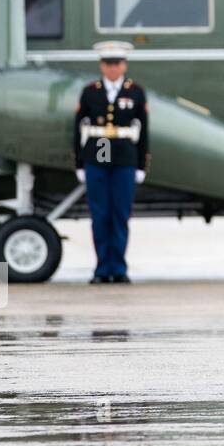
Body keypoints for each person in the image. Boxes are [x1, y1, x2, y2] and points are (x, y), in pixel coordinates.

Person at [73, 40, 149, 284]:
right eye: (108, 63)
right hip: (97, 155)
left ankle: (119, 267)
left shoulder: (135, 91)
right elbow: (77, 128)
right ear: (102, 66)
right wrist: (79, 163)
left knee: (120, 214)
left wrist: (141, 165)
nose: (113, 68)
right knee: (100, 215)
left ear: (124, 65)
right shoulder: (90, 91)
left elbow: (144, 130)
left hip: (124, 156)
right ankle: (102, 268)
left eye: (117, 63)